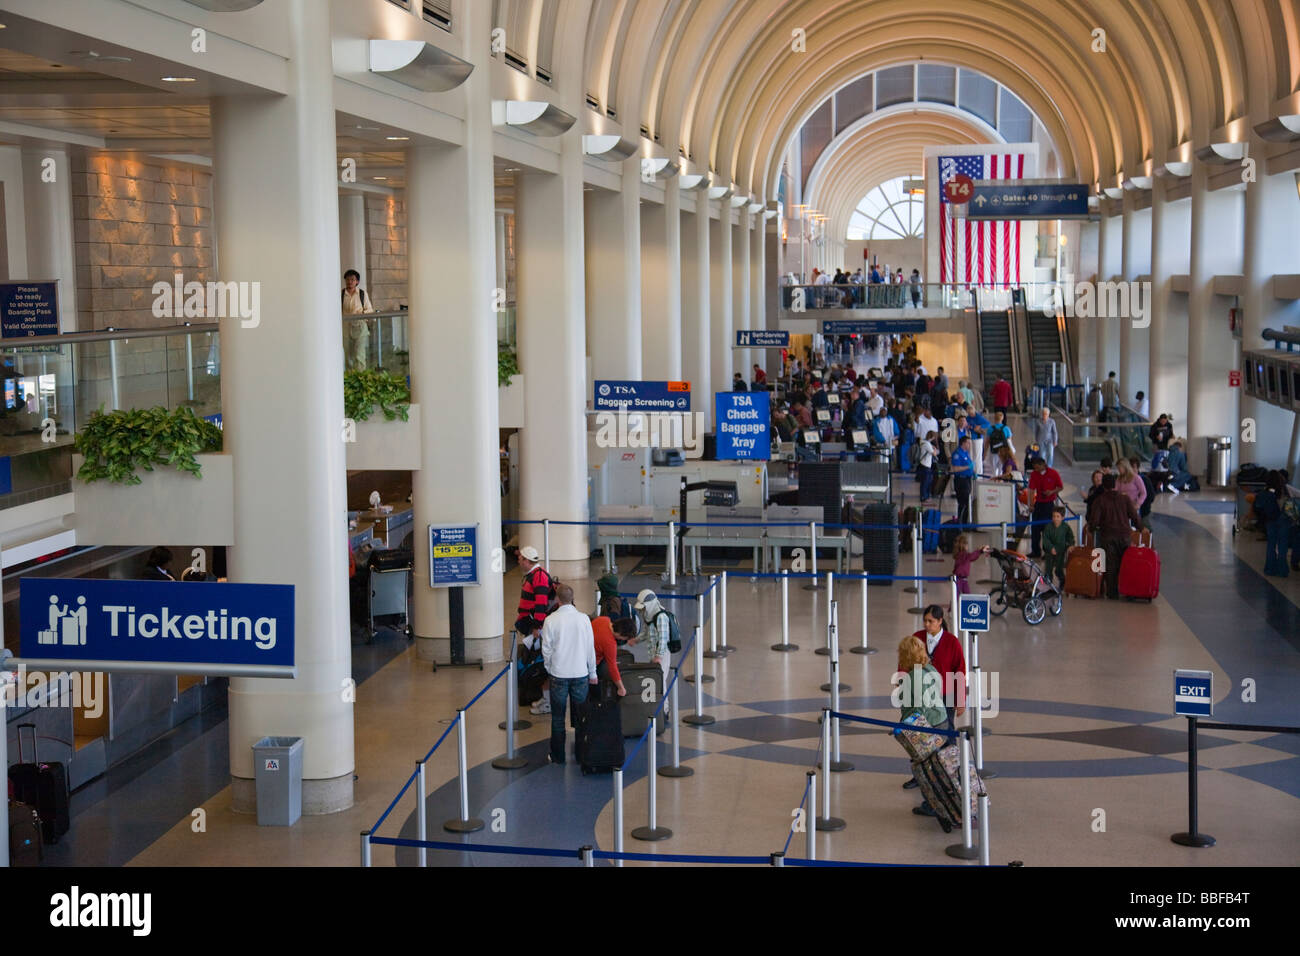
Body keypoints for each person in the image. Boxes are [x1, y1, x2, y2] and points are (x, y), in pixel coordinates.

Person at [539, 585, 598, 765]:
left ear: (557, 599)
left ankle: (557, 756)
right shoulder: (584, 619)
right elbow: (590, 648)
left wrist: (550, 668)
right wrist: (592, 672)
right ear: (572, 598)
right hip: (580, 673)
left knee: (558, 717)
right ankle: (582, 754)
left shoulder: (550, 620)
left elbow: (546, 649)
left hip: (558, 674)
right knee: (581, 716)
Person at [896, 633, 949, 815]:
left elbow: (919, 708)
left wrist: (909, 730)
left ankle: (933, 805)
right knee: (938, 766)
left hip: (928, 727)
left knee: (928, 769)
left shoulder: (913, 677)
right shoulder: (931, 669)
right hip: (942, 722)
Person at [1086, 474, 1143, 599]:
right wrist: (1141, 528)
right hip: (1124, 536)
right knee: (1126, 563)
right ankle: (1127, 591)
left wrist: (1091, 529)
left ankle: (1112, 592)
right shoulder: (1125, 499)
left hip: (1108, 536)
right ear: (1115, 485)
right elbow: (1134, 516)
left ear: (1104, 486)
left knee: (1111, 564)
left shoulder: (1100, 500)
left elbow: (1094, 520)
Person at [515, 546, 555, 714]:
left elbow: (541, 603)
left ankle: (547, 700)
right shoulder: (534, 575)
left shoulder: (538, 577)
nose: (518, 561)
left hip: (537, 628)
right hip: (533, 626)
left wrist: (537, 627)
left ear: (526, 560)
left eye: (520, 558)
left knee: (543, 663)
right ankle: (543, 697)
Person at [912, 606, 966, 731]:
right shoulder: (916, 638)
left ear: (940, 621)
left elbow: (960, 671)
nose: (926, 624)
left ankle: (950, 750)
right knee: (923, 731)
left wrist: (960, 699)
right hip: (923, 693)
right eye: (925, 620)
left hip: (946, 694)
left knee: (947, 729)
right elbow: (906, 660)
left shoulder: (952, 642)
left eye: (931, 621)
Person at [631, 589, 673, 695]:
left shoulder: (661, 617)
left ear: (649, 604)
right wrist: (636, 640)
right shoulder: (648, 616)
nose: (642, 610)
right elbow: (646, 632)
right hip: (653, 654)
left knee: (660, 681)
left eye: (644, 607)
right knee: (656, 679)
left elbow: (663, 639)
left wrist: (659, 656)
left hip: (662, 655)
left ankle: (665, 708)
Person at [1254, 471, 1292, 577]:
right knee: (1282, 546)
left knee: (1271, 545)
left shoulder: (1266, 491)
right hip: (1283, 520)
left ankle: (1270, 569)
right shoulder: (1284, 490)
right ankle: (1282, 570)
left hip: (1270, 520)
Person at [1027, 456, 1064, 558]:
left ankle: (1047, 552)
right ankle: (1035, 551)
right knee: (1035, 529)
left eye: (1038, 467)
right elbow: (1031, 489)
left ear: (1043, 465)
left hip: (1049, 504)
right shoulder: (1034, 474)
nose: (1036, 470)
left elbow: (1060, 487)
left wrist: (1051, 492)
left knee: (1047, 530)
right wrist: (1030, 504)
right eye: (1035, 468)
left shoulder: (1053, 473)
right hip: (1038, 504)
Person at [341, 269, 375, 371]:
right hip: (346, 328)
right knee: (347, 356)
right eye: (347, 279)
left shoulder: (362, 294)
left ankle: (360, 378)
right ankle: (350, 379)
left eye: (352, 279)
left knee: (359, 355)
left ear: (357, 282)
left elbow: (369, 310)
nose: (349, 282)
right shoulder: (341, 294)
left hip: (360, 328)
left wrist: (360, 314)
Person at [589, 611, 628, 698]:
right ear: (620, 634)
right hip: (590, 666)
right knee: (595, 694)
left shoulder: (603, 619)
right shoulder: (610, 644)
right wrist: (621, 688)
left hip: (582, 656)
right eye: (624, 638)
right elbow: (612, 667)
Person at [1041, 507, 1075, 589]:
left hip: (1061, 551)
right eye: (1054, 516)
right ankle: (1048, 585)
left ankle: (1063, 582)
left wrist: (1071, 545)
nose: (1055, 519)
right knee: (1048, 569)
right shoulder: (1048, 527)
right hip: (1049, 552)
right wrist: (1050, 548)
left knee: (1059, 569)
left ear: (1062, 517)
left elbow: (1070, 537)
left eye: (1058, 516)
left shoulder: (1065, 527)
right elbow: (1045, 539)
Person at [951, 434, 975, 525]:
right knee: (963, 502)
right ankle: (961, 523)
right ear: (963, 443)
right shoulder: (957, 454)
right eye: (968, 443)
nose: (970, 445)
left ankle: (965, 521)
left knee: (967, 502)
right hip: (961, 480)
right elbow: (955, 468)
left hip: (967, 480)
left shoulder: (966, 453)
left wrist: (973, 471)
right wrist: (967, 467)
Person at [916, 429, 939, 502]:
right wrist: (935, 449)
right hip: (925, 465)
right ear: (932, 437)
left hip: (925, 464)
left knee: (927, 481)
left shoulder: (924, 443)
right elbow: (935, 453)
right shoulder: (927, 444)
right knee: (926, 482)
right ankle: (924, 497)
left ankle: (925, 496)